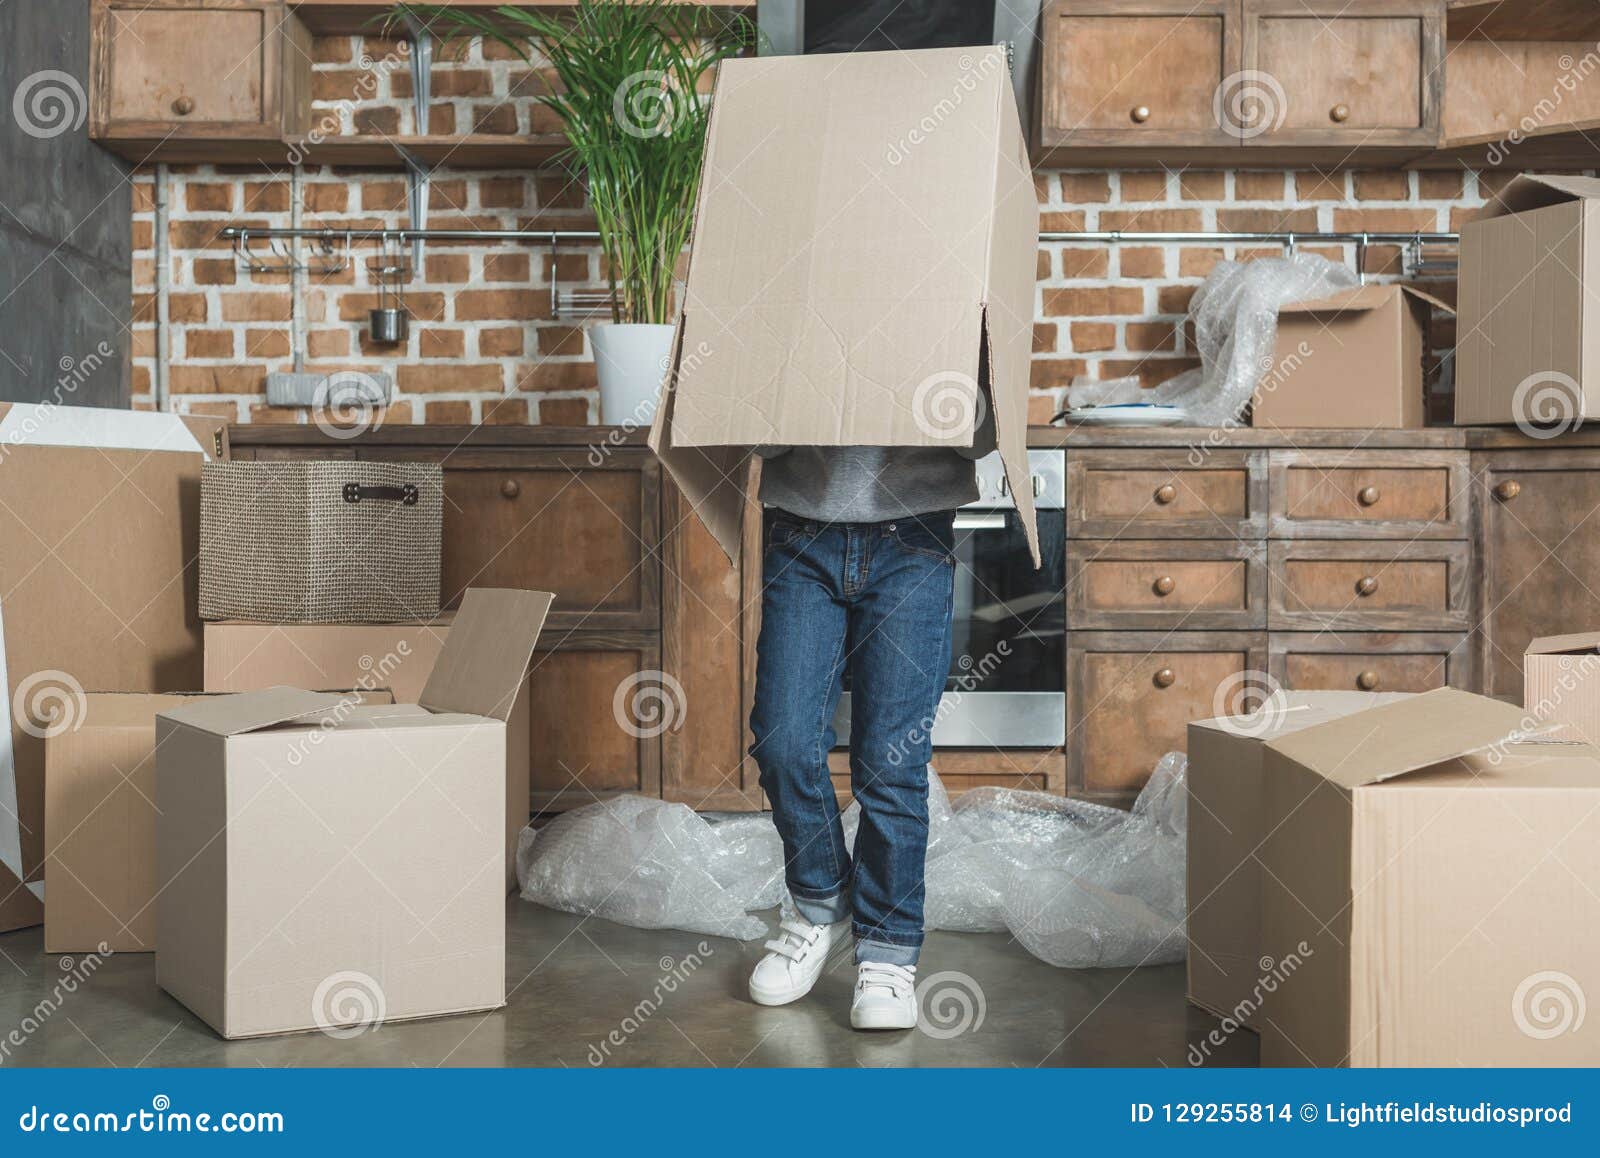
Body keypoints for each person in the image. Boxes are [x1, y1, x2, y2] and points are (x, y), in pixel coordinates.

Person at [745, 392, 995, 1030]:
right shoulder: (788, 319)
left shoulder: (956, 323)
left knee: (891, 761)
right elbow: (760, 439)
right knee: (782, 741)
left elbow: (979, 440)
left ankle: (887, 947)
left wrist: (940, 386)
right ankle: (819, 897)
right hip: (802, 533)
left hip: (913, 536)